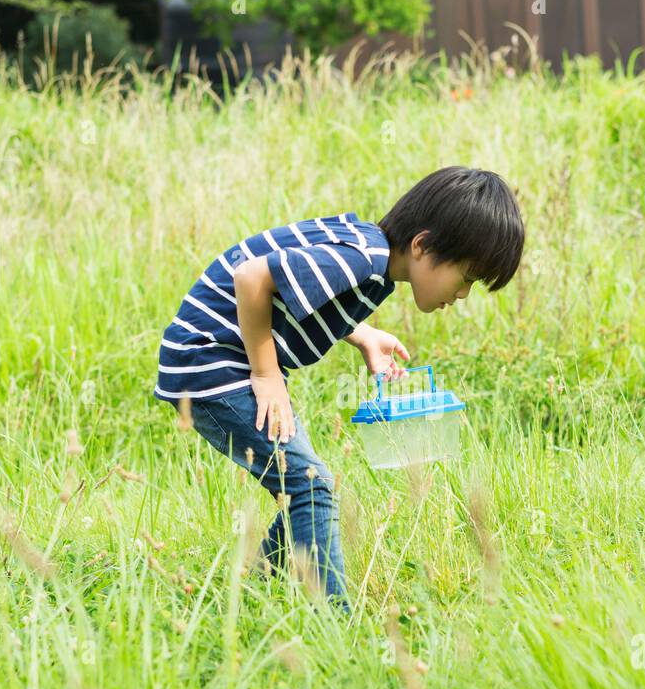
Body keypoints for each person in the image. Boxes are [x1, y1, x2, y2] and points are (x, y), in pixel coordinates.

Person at [154, 166, 524, 611]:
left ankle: (251, 591)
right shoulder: (362, 258)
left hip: (214, 358)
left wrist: (363, 334)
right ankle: (334, 622)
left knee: (305, 488)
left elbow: (305, 289)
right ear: (422, 245)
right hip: (210, 361)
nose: (463, 294)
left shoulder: (373, 258)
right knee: (312, 487)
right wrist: (267, 375)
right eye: (465, 278)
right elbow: (252, 278)